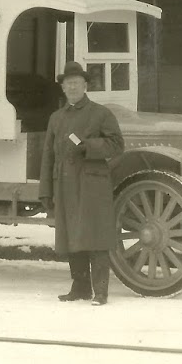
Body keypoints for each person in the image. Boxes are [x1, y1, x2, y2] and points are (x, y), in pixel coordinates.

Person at [39, 61, 124, 305]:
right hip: (65, 186)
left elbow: (117, 145)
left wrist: (89, 147)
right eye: (68, 84)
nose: (72, 87)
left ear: (86, 86)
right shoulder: (56, 118)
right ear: (63, 88)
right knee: (70, 237)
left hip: (91, 186)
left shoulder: (101, 113)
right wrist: (46, 190)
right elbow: (48, 156)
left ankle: (100, 292)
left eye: (77, 83)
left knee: (95, 238)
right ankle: (80, 288)